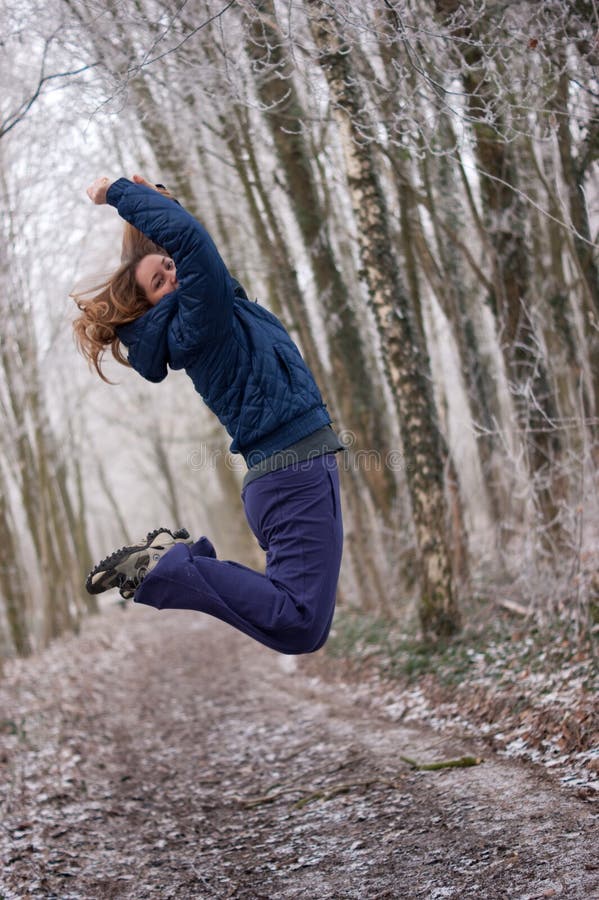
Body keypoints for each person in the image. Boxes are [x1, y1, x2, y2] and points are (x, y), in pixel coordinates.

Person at [72, 175, 344, 655]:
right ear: (150, 309)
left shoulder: (211, 311)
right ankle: (169, 568)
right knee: (299, 622)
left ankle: (174, 562)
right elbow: (194, 245)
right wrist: (116, 193)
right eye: (159, 281)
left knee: (304, 626)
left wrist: (159, 202)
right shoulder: (197, 321)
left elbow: (197, 256)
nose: (173, 277)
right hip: (291, 470)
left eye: (170, 267)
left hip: (292, 468)